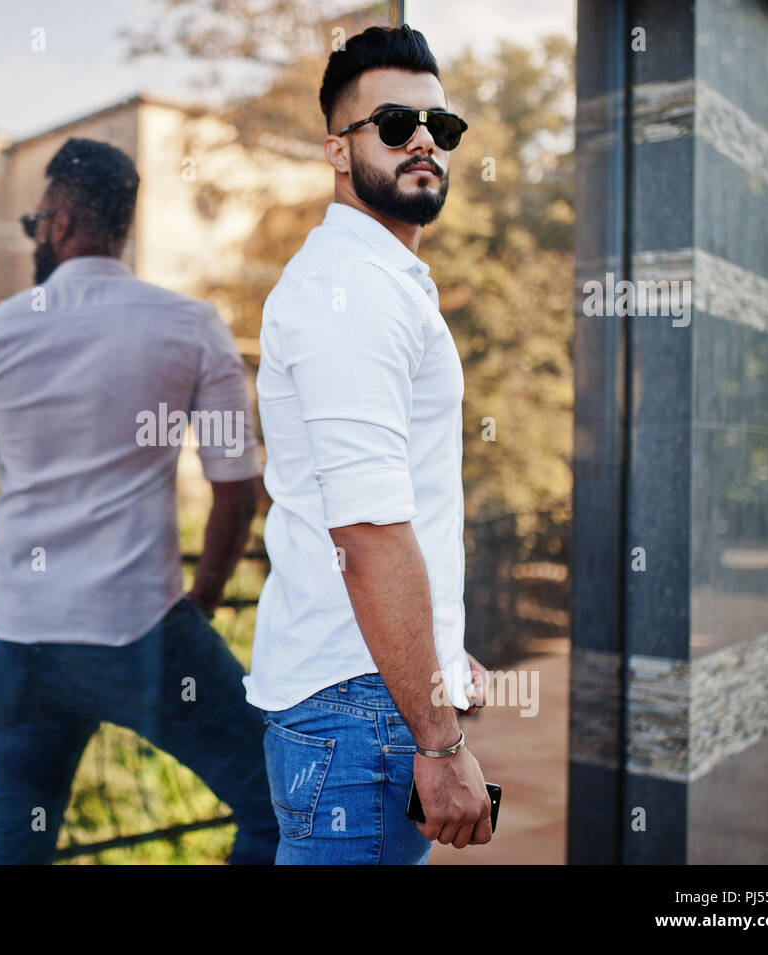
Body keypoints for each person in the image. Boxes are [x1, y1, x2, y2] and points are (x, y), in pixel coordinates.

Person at [0, 137, 279, 864]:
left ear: (58, 225)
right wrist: (205, 598)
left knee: (15, 847)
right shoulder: (192, 327)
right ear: (119, 226)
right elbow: (237, 490)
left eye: (35, 224)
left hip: (23, 643)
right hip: (146, 633)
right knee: (282, 800)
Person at [247, 25, 493, 865]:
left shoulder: (383, 284)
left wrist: (445, 649)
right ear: (338, 151)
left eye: (440, 126)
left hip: (368, 698)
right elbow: (366, 529)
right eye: (393, 124)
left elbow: (399, 503)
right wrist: (442, 741)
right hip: (364, 715)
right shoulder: (350, 289)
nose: (424, 137)